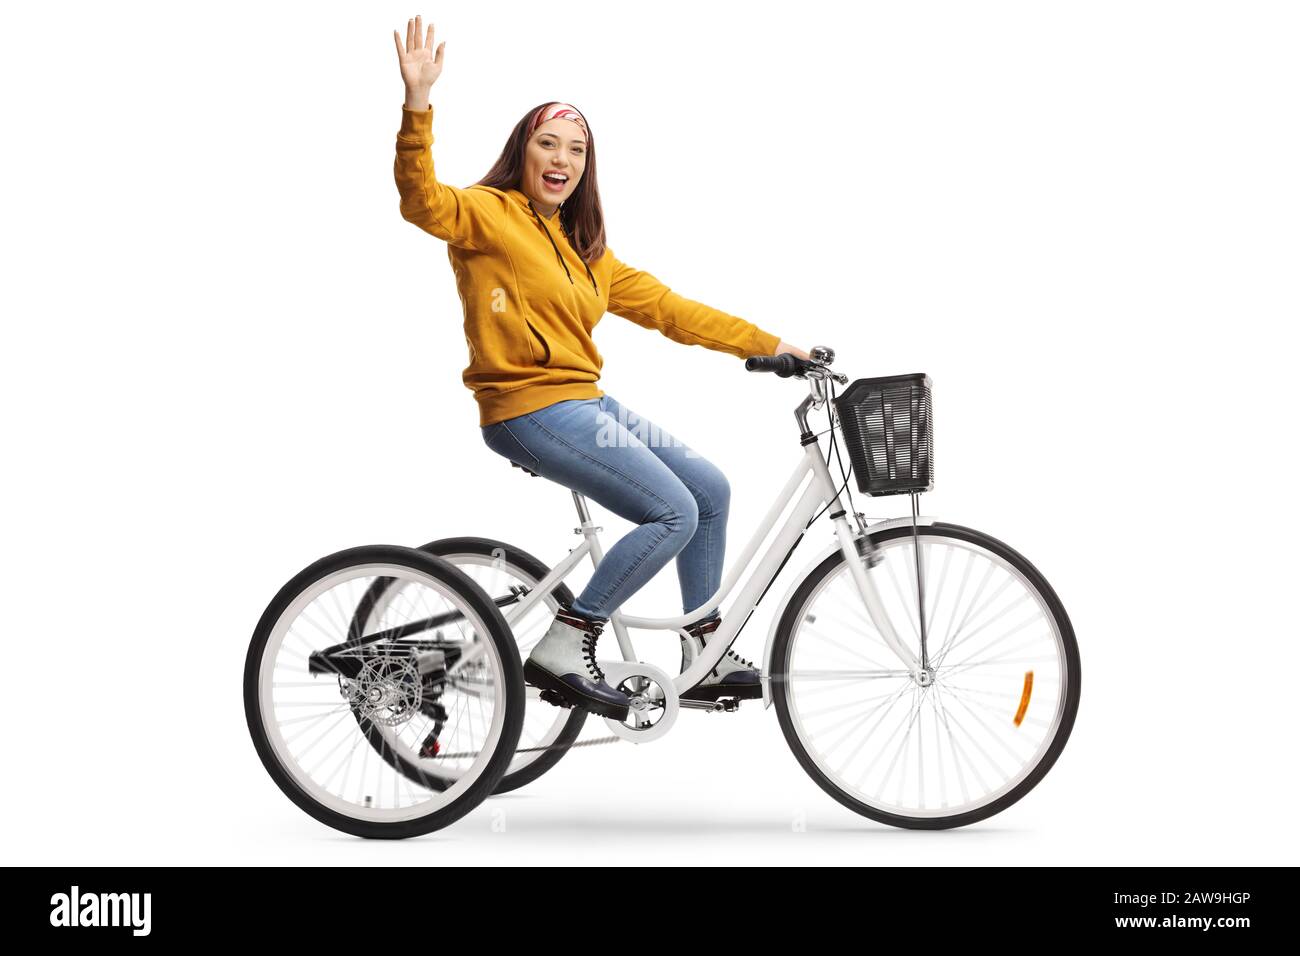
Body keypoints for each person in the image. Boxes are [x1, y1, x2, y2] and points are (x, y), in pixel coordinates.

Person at [393, 16, 810, 720]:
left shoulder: (585, 250)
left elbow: (673, 310)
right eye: (547, 143)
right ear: (522, 152)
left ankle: (701, 652)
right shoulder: (487, 216)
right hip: (528, 409)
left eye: (576, 149)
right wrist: (418, 105)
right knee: (670, 510)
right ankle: (568, 640)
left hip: (585, 404)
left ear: (587, 165)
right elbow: (420, 200)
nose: (562, 158)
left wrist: (770, 345)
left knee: (708, 489)